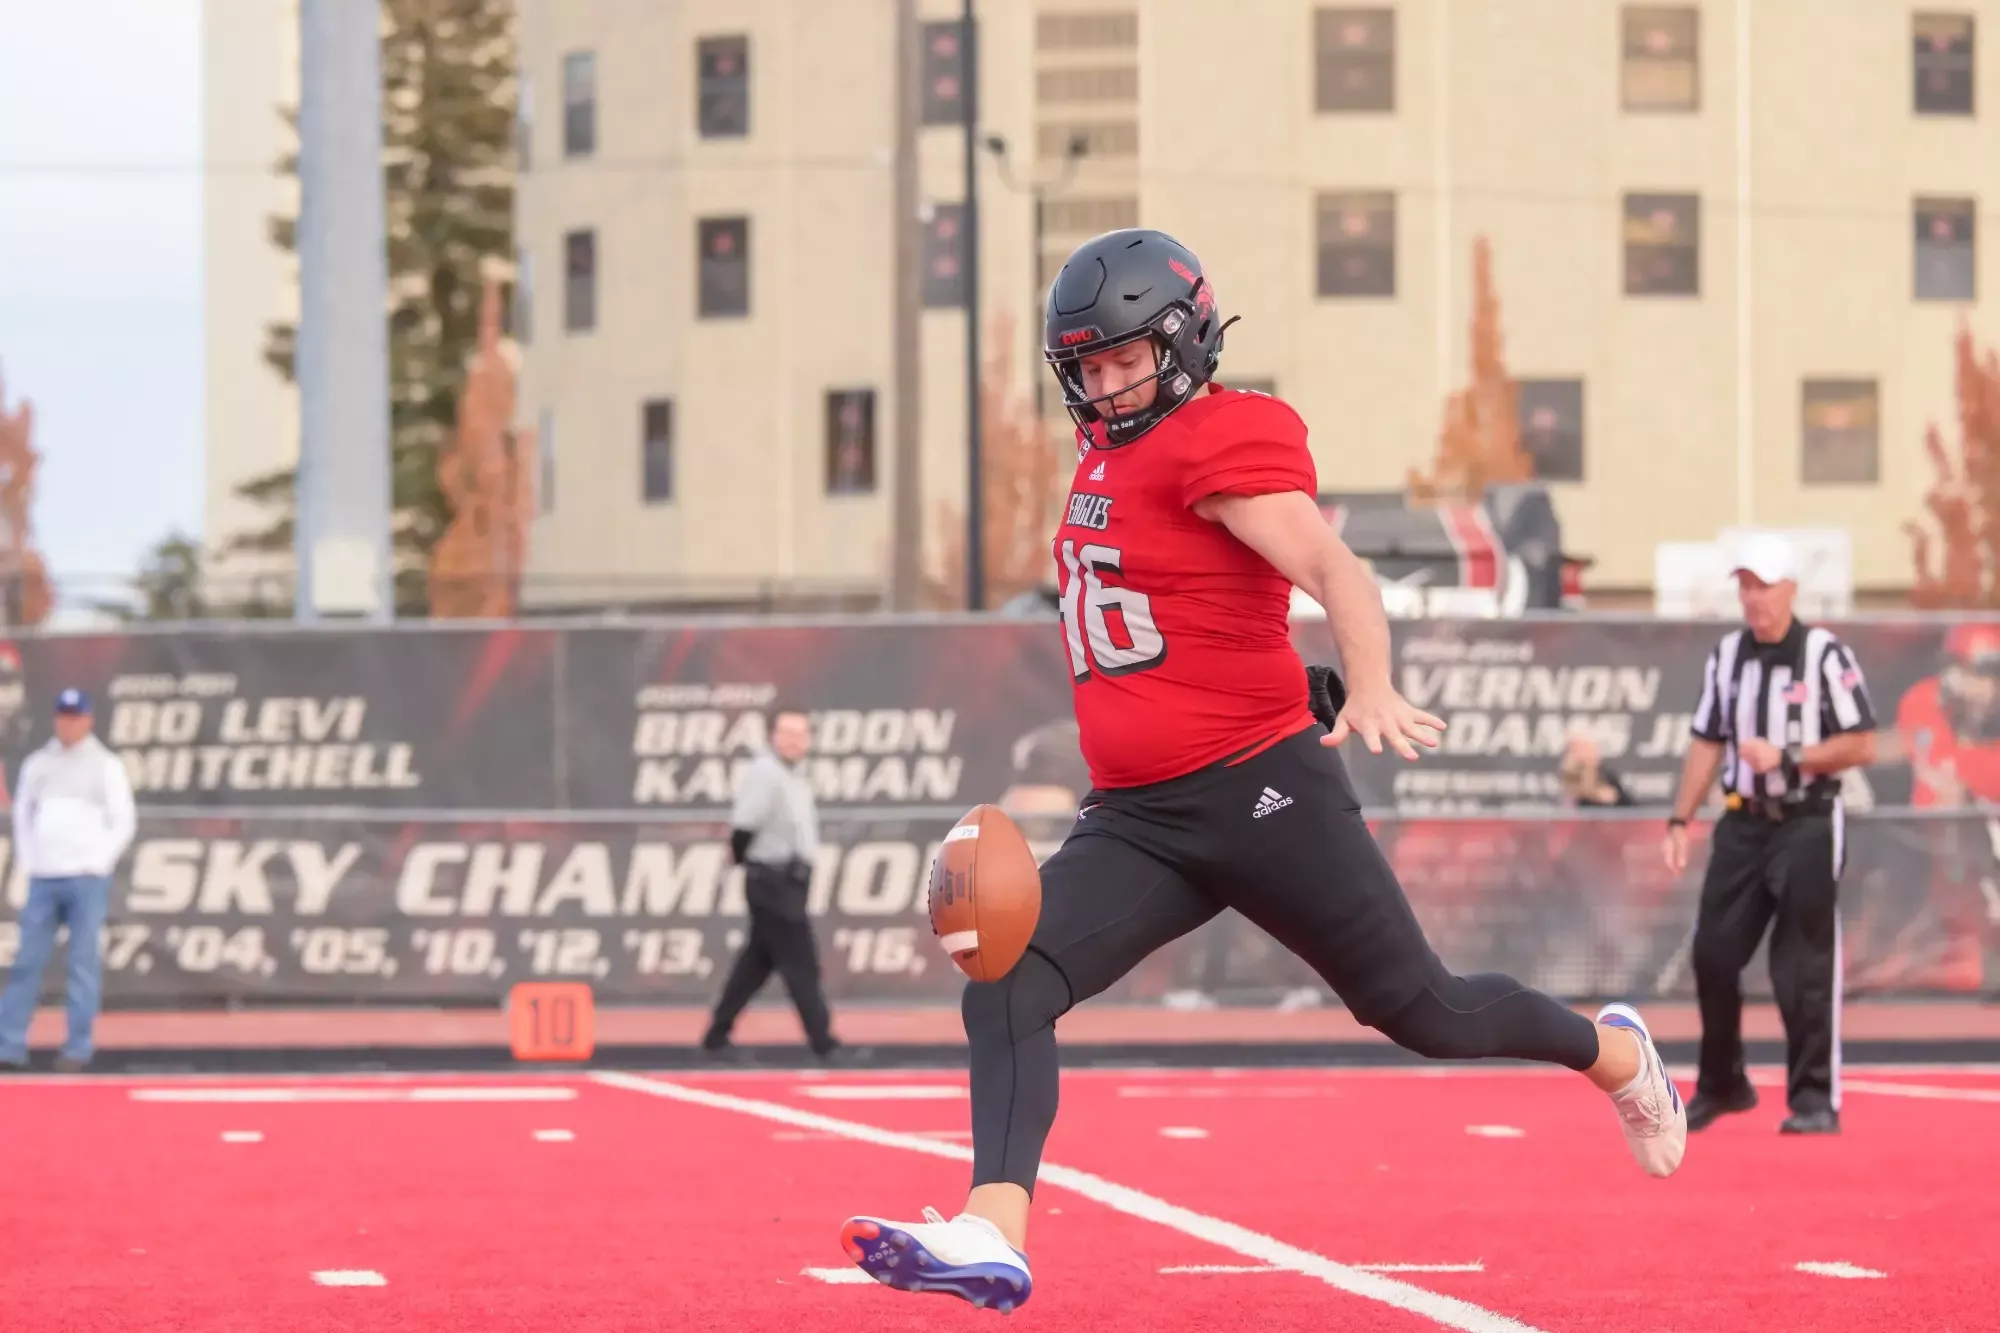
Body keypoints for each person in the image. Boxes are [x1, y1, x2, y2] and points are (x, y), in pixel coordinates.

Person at [839, 229, 1686, 1311]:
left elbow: (1335, 569)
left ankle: (1610, 1053)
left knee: (1424, 1010)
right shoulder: (1106, 458)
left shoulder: (1214, 441)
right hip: (1141, 817)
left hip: (1258, 790)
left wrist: (1366, 683)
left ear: (1184, 338)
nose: (1103, 384)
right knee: (1009, 983)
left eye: (1123, 359)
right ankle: (990, 1234)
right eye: (1085, 367)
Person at [1662, 534, 1876, 1136]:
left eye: (1764, 585)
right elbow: (1707, 739)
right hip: (1741, 822)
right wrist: (1681, 818)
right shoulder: (1727, 656)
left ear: (1791, 589)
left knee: (1802, 963)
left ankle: (1813, 1099)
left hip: (1807, 820)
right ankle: (1723, 1083)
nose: (1753, 598)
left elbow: (1862, 742)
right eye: (1745, 586)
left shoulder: (1826, 655)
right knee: (1713, 953)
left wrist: (1789, 755)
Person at [0, 689, 137, 1073]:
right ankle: (9, 1045)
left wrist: (99, 860)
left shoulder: (106, 765)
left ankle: (78, 1047)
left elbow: (123, 819)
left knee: (82, 963)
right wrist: (30, 860)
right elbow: (23, 814)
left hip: (85, 879)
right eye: (63, 715)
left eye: (76, 716)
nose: (69, 723)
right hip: (45, 877)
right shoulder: (39, 763)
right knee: (27, 962)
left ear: (89, 720)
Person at [699, 707, 840, 1061]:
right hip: (774, 878)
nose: (794, 740)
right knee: (801, 961)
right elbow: (744, 826)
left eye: (800, 733)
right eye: (787, 732)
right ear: (772, 736)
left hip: (787, 880)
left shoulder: (795, 775)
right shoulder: (766, 773)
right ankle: (823, 1041)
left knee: (755, 964)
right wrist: (747, 862)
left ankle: (717, 1034)